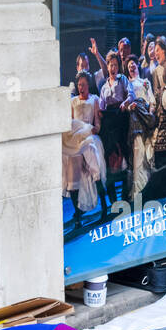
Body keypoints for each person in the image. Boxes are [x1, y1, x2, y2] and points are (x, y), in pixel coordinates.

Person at [62, 71, 108, 227]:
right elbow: (70, 124)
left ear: (88, 85)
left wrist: (95, 128)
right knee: (72, 168)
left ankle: (104, 207)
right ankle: (77, 216)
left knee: (92, 154)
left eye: (84, 84)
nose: (81, 87)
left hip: (89, 135)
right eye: (79, 84)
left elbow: (97, 123)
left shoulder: (94, 100)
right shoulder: (73, 102)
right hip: (76, 138)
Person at [97, 51, 131, 202]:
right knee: (109, 154)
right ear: (108, 66)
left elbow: (131, 94)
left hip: (121, 116)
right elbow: (101, 105)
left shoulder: (122, 79)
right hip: (109, 120)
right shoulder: (104, 87)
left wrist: (125, 102)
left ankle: (125, 192)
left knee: (123, 152)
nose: (113, 68)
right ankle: (112, 198)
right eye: (111, 65)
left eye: (116, 65)